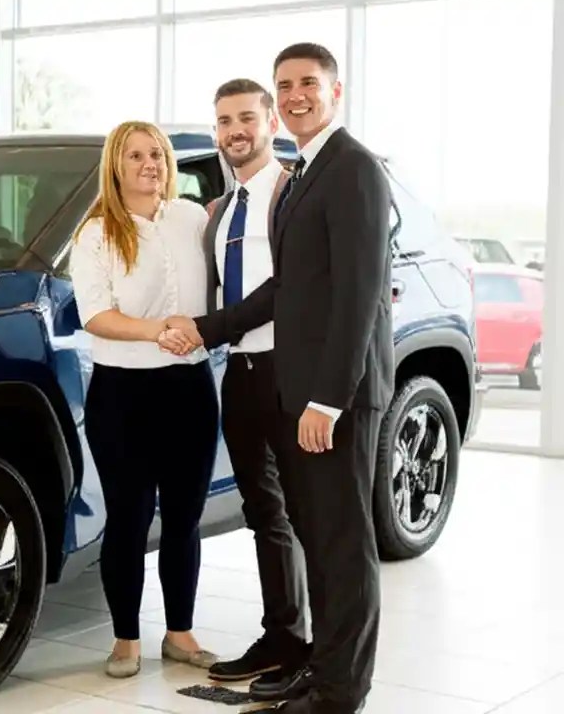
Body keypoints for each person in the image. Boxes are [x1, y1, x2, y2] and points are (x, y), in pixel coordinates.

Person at [164, 44, 393, 713]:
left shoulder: (352, 169)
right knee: (319, 539)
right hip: (295, 383)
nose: (296, 95)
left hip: (331, 392)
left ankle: (341, 690)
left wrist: (326, 399)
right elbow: (297, 285)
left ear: (335, 90)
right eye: (285, 83)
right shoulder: (310, 173)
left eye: (307, 84)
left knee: (343, 546)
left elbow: (357, 293)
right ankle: (319, 669)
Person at [160, 77, 312, 688]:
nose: (235, 131)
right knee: (264, 512)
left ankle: (319, 651)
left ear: (270, 121)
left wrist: (204, 328)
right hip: (241, 376)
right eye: (224, 121)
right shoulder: (219, 213)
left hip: (290, 372)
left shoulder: (293, 195)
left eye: (246, 117)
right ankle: (282, 637)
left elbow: (285, 292)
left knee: (307, 515)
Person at [68, 120, 221, 678]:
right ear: (116, 166)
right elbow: (96, 316)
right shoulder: (96, 233)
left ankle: (179, 635)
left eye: (156, 153)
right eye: (135, 156)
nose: (149, 164)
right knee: (129, 521)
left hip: (190, 390)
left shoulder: (191, 217)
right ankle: (125, 640)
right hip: (124, 394)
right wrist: (157, 330)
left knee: (185, 518)